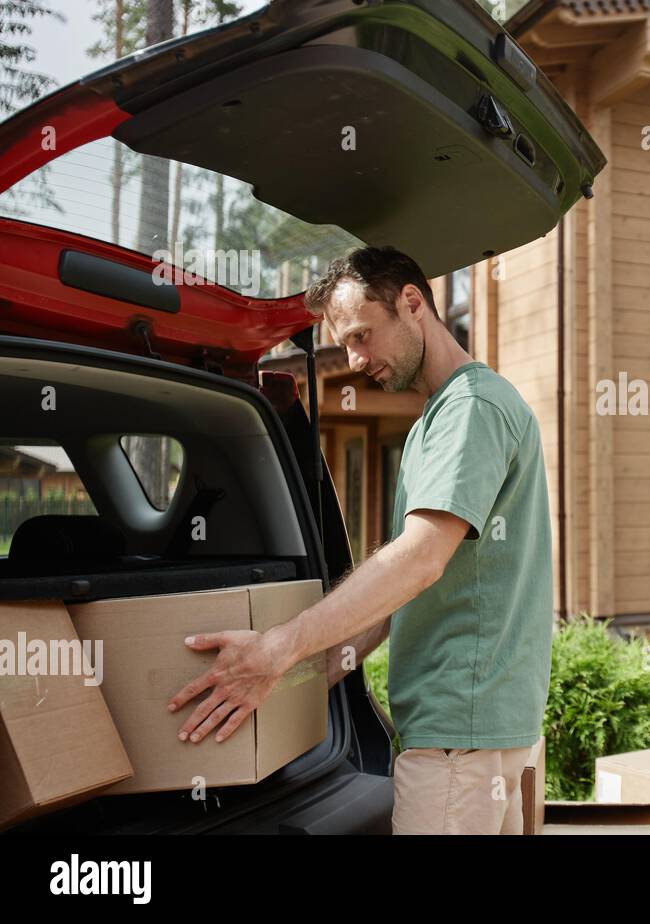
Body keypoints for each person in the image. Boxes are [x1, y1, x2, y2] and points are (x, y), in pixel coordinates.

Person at [165, 245, 553, 835]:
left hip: (458, 738)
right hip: (474, 733)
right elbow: (404, 592)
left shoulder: (470, 408)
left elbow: (418, 560)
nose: (353, 358)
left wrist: (277, 647)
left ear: (412, 303)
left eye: (362, 335)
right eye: (345, 342)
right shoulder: (444, 415)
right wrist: (304, 676)